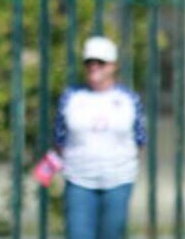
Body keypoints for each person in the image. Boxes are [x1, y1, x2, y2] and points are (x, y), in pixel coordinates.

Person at [52, 36, 145, 239]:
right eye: (89, 63)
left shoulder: (129, 99)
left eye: (100, 62)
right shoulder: (71, 97)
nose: (94, 67)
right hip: (79, 181)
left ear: (113, 66)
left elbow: (139, 140)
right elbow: (59, 139)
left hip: (118, 181)